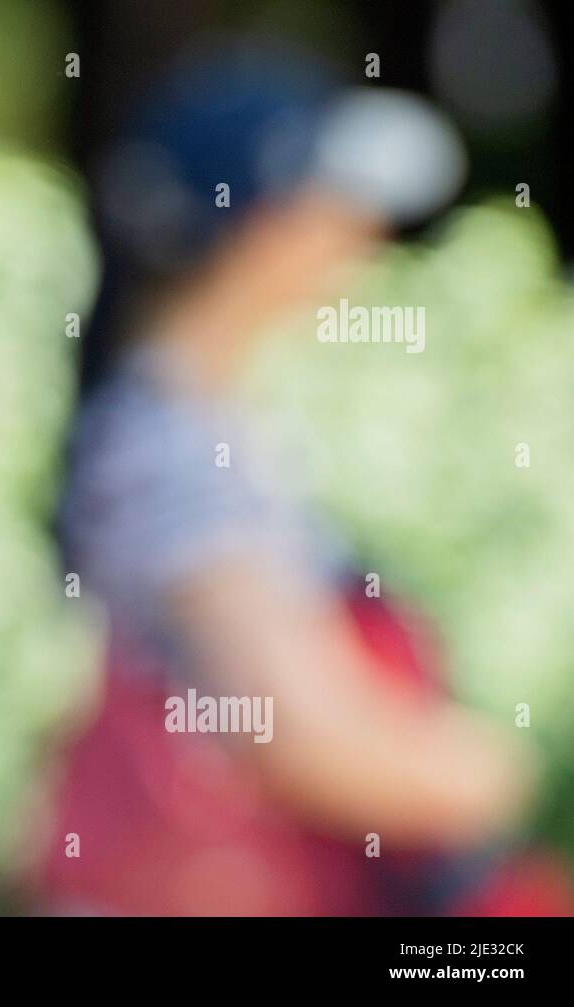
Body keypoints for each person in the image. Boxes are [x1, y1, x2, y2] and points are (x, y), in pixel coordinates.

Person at [35, 38, 567, 915]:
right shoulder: (170, 438)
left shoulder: (190, 414)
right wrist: (482, 772)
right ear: (259, 222)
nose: (361, 229)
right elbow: (302, 737)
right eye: (333, 197)